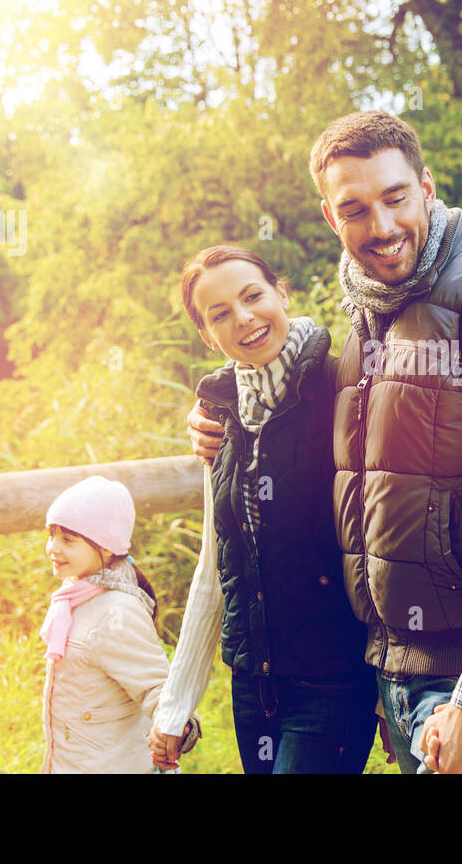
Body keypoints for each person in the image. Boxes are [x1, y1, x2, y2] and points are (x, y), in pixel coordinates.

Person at [187, 112, 462, 773]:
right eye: (355, 208)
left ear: (428, 187)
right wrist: (216, 419)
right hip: (397, 676)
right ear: (330, 216)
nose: (380, 227)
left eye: (396, 197)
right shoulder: (359, 331)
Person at [152, 245, 377, 774]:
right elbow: (215, 568)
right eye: (220, 313)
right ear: (208, 336)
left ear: (282, 292)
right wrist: (175, 703)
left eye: (252, 296)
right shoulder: (220, 420)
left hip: (333, 677)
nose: (244, 318)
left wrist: (392, 682)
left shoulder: (344, 385)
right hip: (254, 685)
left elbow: (379, 545)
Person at [39, 475, 198, 773]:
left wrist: (177, 727)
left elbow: (157, 687)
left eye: (68, 540)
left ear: (107, 548)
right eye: (52, 536)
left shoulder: (117, 611)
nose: (54, 548)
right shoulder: (75, 597)